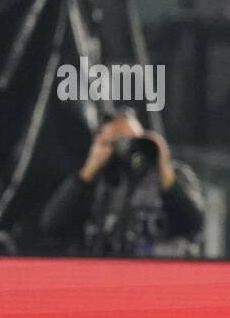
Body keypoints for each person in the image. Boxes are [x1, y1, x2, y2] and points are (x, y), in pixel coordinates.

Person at [39, 108, 204, 256]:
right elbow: (52, 225)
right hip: (104, 276)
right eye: (118, 141)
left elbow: (196, 224)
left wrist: (163, 167)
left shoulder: (172, 175)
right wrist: (89, 169)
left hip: (160, 277)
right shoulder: (92, 182)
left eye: (133, 139)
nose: (127, 148)